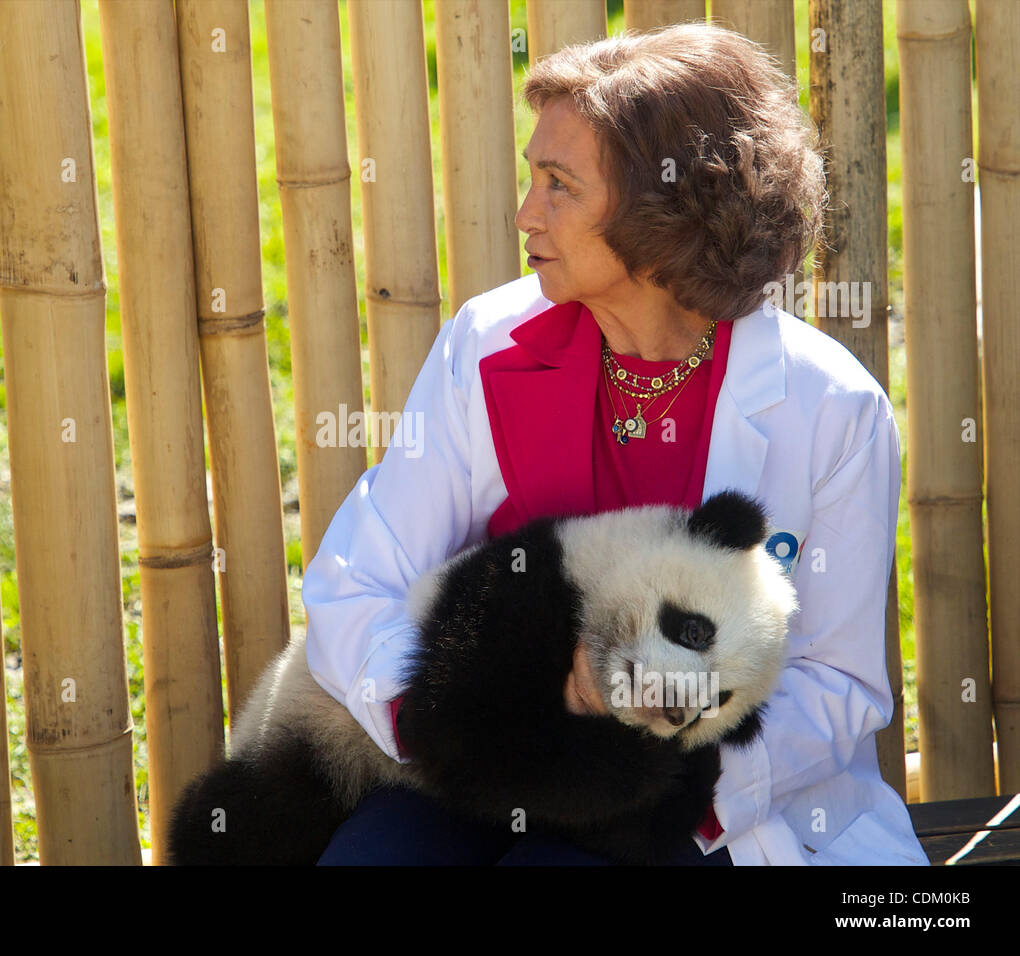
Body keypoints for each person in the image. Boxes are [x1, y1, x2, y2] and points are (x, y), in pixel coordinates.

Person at [299, 23, 929, 865]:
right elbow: (357, 580)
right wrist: (468, 725)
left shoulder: (834, 411)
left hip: (702, 805)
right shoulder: (483, 350)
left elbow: (838, 685)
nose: (526, 213)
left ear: (662, 209)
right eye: (534, 179)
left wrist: (657, 765)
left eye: (559, 185)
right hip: (491, 775)